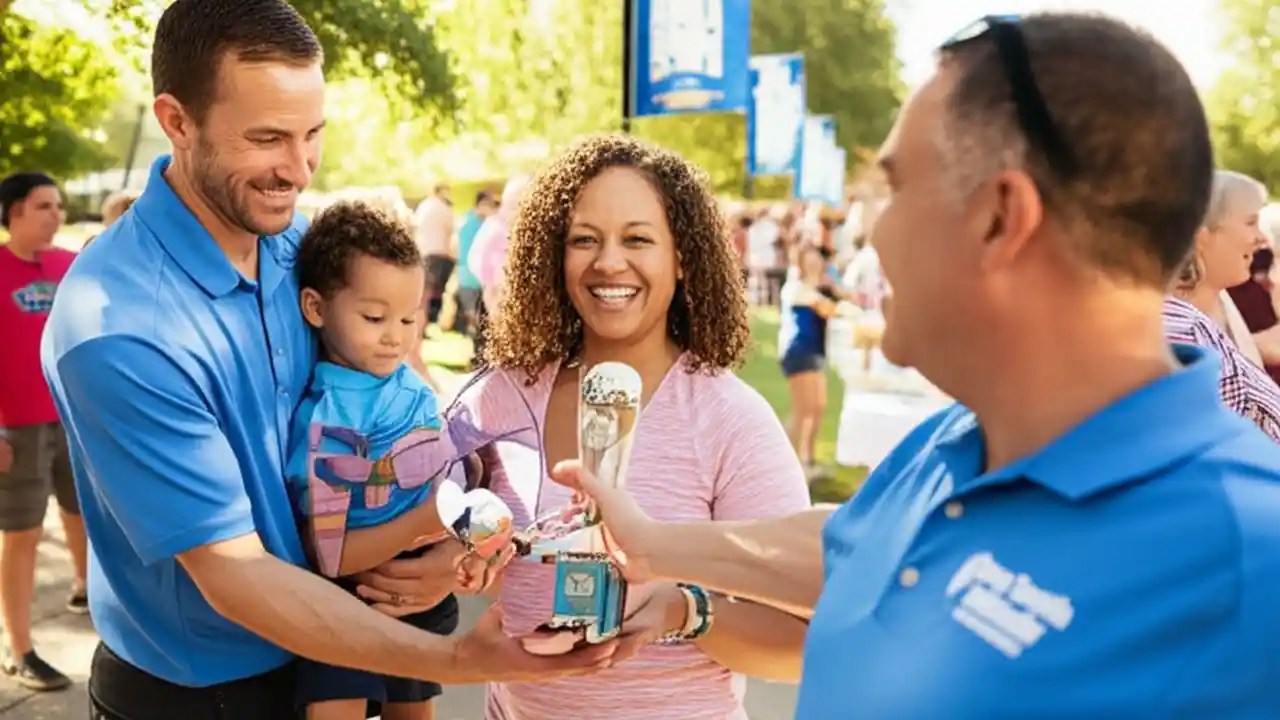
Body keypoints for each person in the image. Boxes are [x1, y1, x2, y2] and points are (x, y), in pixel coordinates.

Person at [549, 13, 1280, 718]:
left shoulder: (1247, 555)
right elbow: (857, 548)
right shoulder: (947, 445)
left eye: (897, 188)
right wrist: (654, 545)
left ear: (1000, 218)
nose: (875, 229)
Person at [39, 2, 615, 718]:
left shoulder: (303, 245)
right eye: (268, 138)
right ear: (177, 120)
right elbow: (237, 576)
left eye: (313, 134)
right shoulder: (119, 326)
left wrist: (451, 542)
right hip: (207, 695)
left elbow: (405, 397)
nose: (300, 169)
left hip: (342, 650)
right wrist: (456, 658)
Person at [464, 134, 812, 720]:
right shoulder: (501, 396)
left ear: (682, 257)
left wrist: (683, 609)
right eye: (584, 240)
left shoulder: (730, 418)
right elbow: (438, 542)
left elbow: (802, 642)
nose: (608, 262)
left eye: (638, 239)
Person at [288, 201, 472, 720]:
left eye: (410, 317)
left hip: (419, 595)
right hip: (345, 598)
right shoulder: (333, 421)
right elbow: (330, 557)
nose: (396, 334)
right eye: (374, 317)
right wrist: (427, 520)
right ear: (316, 307)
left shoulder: (405, 385)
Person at [0, 172, 87, 692]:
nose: (56, 215)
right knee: (23, 533)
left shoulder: (69, 265)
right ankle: (19, 648)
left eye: (59, 205)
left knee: (84, 513)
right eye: (43, 206)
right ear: (12, 213)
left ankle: (86, 590)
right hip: (18, 427)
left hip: (73, 418)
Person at [1171, 170, 1273, 370]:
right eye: (1250, 223)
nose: (1261, 238)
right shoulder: (1175, 326)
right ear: (1203, 236)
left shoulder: (1222, 301)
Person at [778, 242, 839, 480]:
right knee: (803, 410)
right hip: (799, 350)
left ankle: (807, 460)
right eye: (809, 260)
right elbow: (826, 308)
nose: (814, 264)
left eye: (817, 259)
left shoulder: (814, 287)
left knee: (818, 407)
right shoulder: (796, 288)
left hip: (814, 351)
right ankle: (781, 462)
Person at [453, 189, 497, 336]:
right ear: (480, 205)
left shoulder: (467, 220)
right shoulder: (483, 224)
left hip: (474, 277)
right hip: (472, 277)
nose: (490, 208)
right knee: (476, 314)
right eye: (488, 204)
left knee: (478, 315)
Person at [414, 183, 456, 328]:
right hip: (439, 252)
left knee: (424, 291)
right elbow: (449, 231)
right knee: (435, 291)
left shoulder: (423, 206)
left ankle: (422, 324)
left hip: (423, 252)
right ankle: (430, 320)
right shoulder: (444, 208)